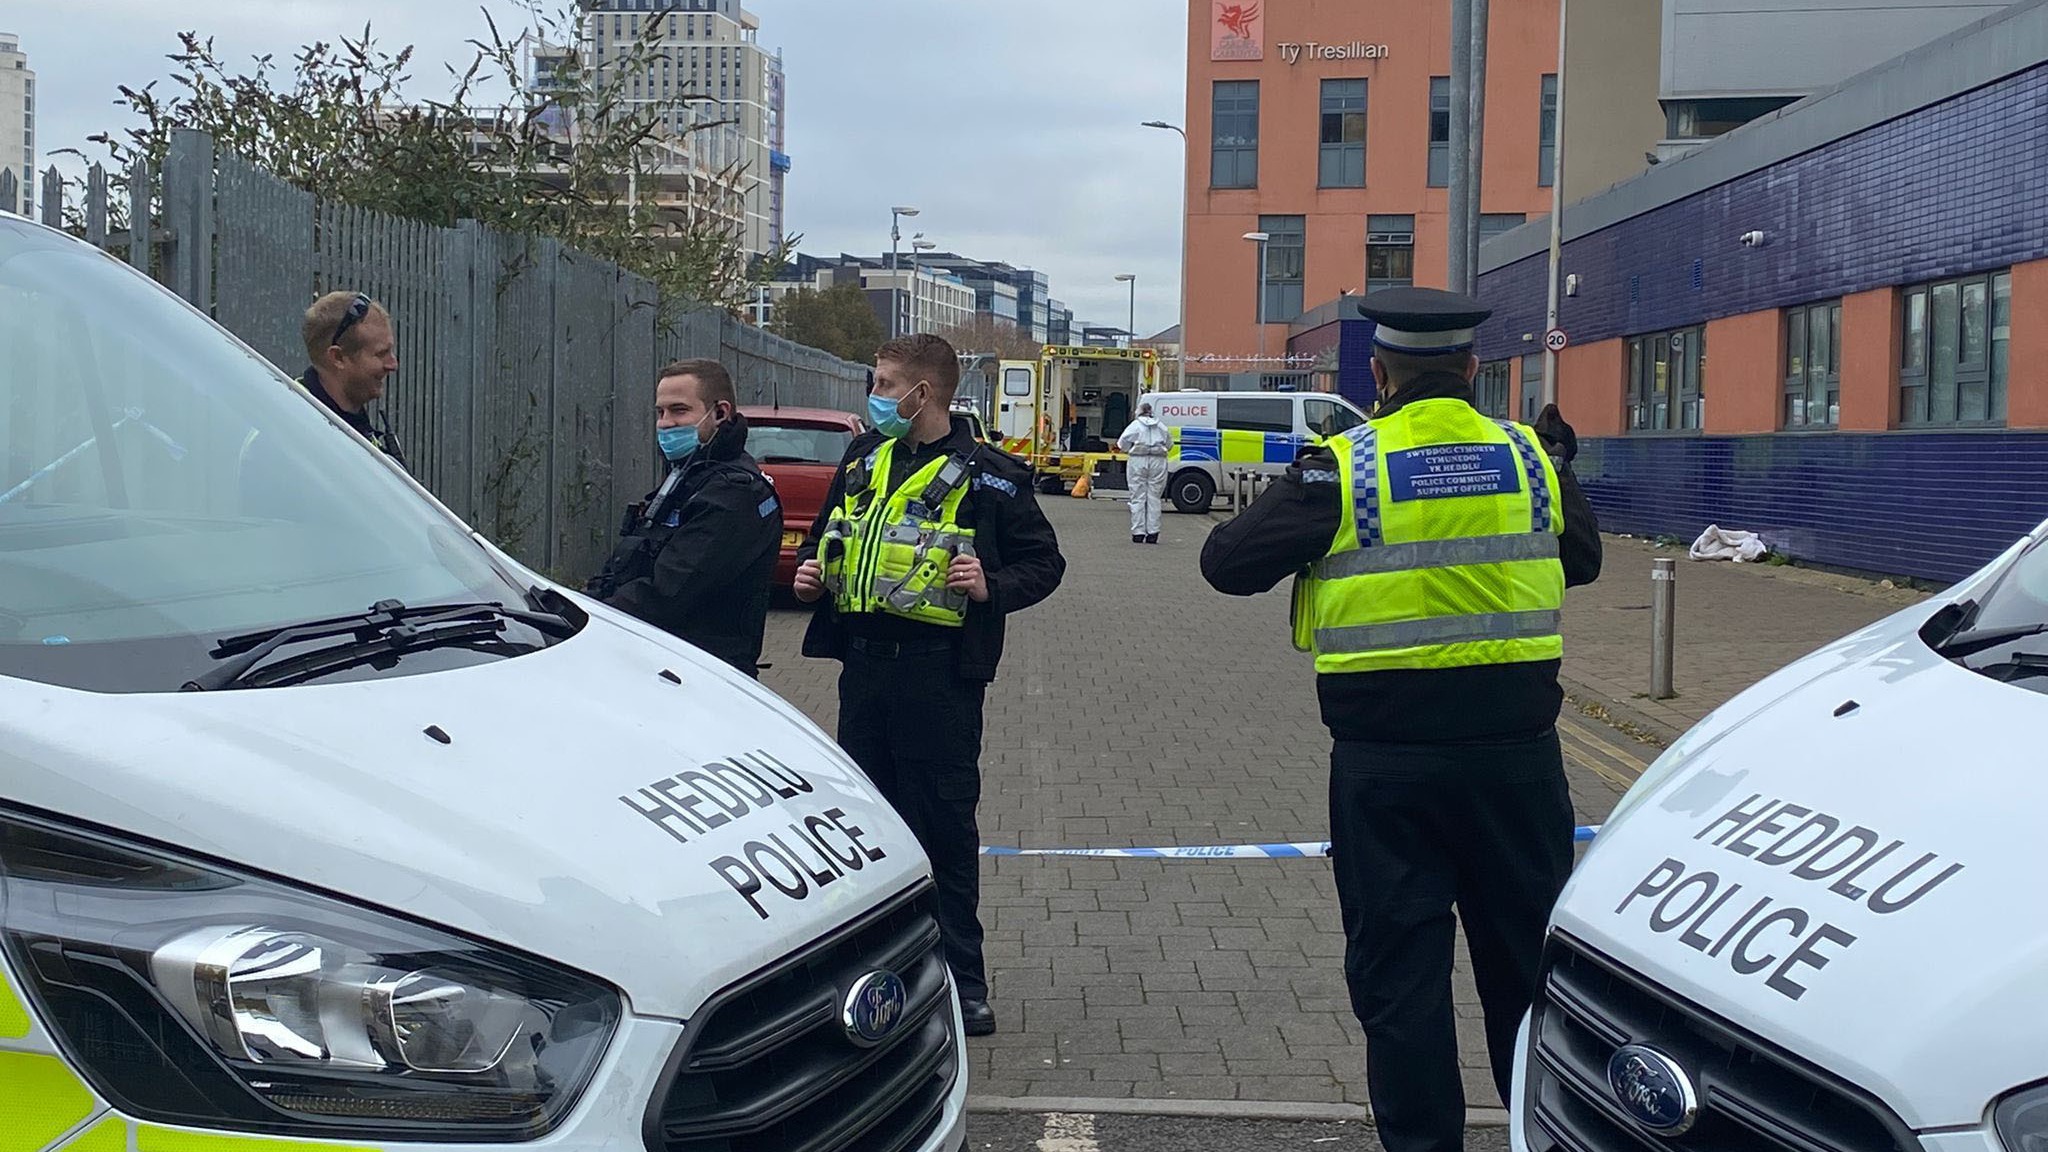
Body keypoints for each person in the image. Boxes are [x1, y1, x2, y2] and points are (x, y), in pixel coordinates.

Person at [1199, 287, 1603, 1152]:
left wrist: (1310, 503)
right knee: (1527, 980)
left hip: (1387, 771)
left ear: (1378, 373)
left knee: (1402, 984)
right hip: (1519, 767)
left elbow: (1225, 565)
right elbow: (1588, 560)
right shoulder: (1533, 458)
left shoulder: (1343, 465)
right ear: (1473, 370)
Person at [791, 333, 1066, 1038]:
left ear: (923, 393)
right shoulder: (862, 457)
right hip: (864, 670)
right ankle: (865, 978)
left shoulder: (992, 475)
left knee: (943, 830)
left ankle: (961, 983)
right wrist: (810, 576)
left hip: (938, 678)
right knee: (867, 835)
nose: (874, 396)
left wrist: (991, 585)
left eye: (883, 383)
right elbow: (828, 535)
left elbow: (1045, 563)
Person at [587, 359, 780, 677]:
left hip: (702, 674)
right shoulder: (689, 475)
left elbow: (666, 592)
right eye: (660, 412)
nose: (665, 424)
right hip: (663, 662)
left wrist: (589, 617)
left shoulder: (734, 493)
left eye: (679, 411)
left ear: (719, 413)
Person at [297, 291, 406, 466]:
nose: (393, 365)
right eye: (381, 354)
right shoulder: (288, 434)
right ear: (338, 357)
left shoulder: (351, 426)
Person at [1116, 401, 1171, 544]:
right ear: (1151, 412)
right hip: (1158, 461)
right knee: (1154, 497)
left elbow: (1122, 443)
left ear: (1139, 412)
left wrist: (1130, 448)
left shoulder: (1135, 426)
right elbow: (1169, 445)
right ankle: (1153, 533)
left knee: (1137, 496)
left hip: (1138, 460)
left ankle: (1138, 532)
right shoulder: (1161, 426)